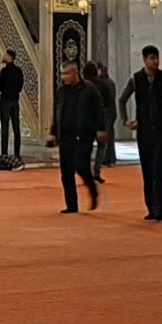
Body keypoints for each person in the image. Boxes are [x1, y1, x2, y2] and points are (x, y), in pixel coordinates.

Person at [119, 45, 162, 222]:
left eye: (157, 58)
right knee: (147, 171)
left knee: (160, 171)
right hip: (144, 132)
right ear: (144, 60)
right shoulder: (135, 79)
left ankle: (159, 210)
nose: (155, 61)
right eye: (151, 58)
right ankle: (150, 207)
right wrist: (125, 121)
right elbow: (122, 99)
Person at [47, 61, 107, 213]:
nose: (64, 77)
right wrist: (53, 133)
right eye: (62, 74)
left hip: (83, 136)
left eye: (67, 73)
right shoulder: (61, 91)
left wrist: (101, 129)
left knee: (81, 167)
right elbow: (57, 114)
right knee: (66, 172)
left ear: (76, 73)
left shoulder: (89, 90)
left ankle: (93, 191)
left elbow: (99, 110)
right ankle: (71, 205)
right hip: (65, 137)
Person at [87, 61, 119, 179]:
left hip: (106, 114)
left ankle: (108, 160)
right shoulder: (105, 83)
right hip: (108, 114)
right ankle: (107, 160)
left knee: (106, 141)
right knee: (107, 140)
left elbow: (107, 101)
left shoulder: (105, 83)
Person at [0, 49, 24, 161]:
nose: (3, 56)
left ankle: (4, 154)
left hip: (5, 101)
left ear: (9, 57)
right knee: (16, 128)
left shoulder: (4, 71)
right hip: (15, 101)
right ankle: (17, 154)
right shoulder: (18, 71)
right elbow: (20, 86)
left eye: (5, 55)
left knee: (5, 128)